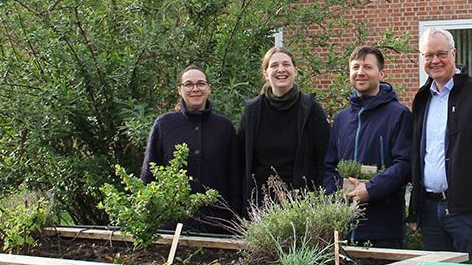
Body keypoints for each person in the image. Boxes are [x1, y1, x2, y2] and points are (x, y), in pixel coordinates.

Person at [407, 27, 472, 265]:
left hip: (468, 214)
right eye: (428, 55)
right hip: (430, 213)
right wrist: (415, 209)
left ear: (454, 53)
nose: (435, 61)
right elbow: (419, 155)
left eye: (441, 53)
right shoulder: (422, 99)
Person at [324, 46, 412, 248]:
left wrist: (370, 189)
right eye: (355, 67)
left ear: (381, 73)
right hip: (343, 224)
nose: (360, 72)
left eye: (367, 67)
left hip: (383, 227)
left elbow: (405, 164)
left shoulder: (398, 115)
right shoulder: (341, 119)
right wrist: (336, 193)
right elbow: (329, 166)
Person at [140, 65, 241, 234]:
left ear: (209, 88)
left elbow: (234, 177)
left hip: (217, 224)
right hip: (172, 225)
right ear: (180, 90)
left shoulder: (224, 127)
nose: (195, 89)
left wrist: (236, 218)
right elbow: (149, 173)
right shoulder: (164, 125)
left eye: (201, 83)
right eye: (188, 84)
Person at [238, 46, 330, 208]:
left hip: (302, 203)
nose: (281, 69)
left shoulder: (311, 110)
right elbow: (240, 162)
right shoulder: (252, 112)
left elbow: (324, 160)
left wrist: (318, 201)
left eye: (286, 64)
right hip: (260, 204)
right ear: (266, 74)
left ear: (295, 71)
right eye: (274, 65)